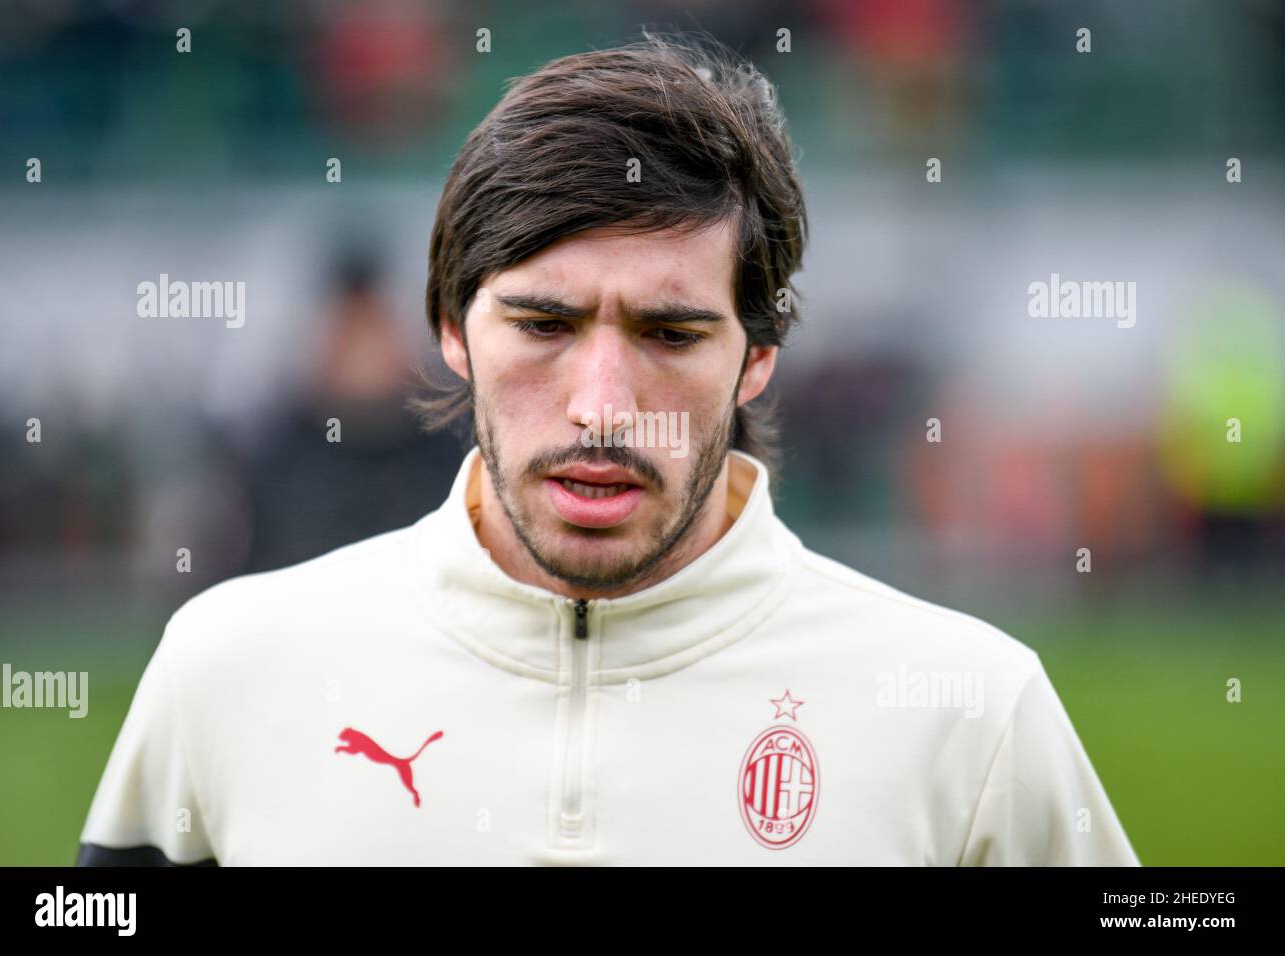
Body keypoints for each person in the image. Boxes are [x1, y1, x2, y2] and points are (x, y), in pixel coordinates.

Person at [77, 31, 1139, 866]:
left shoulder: (973, 708)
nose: (600, 407)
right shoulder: (223, 669)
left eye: (669, 334)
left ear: (759, 353)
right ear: (451, 330)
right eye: (542, 325)